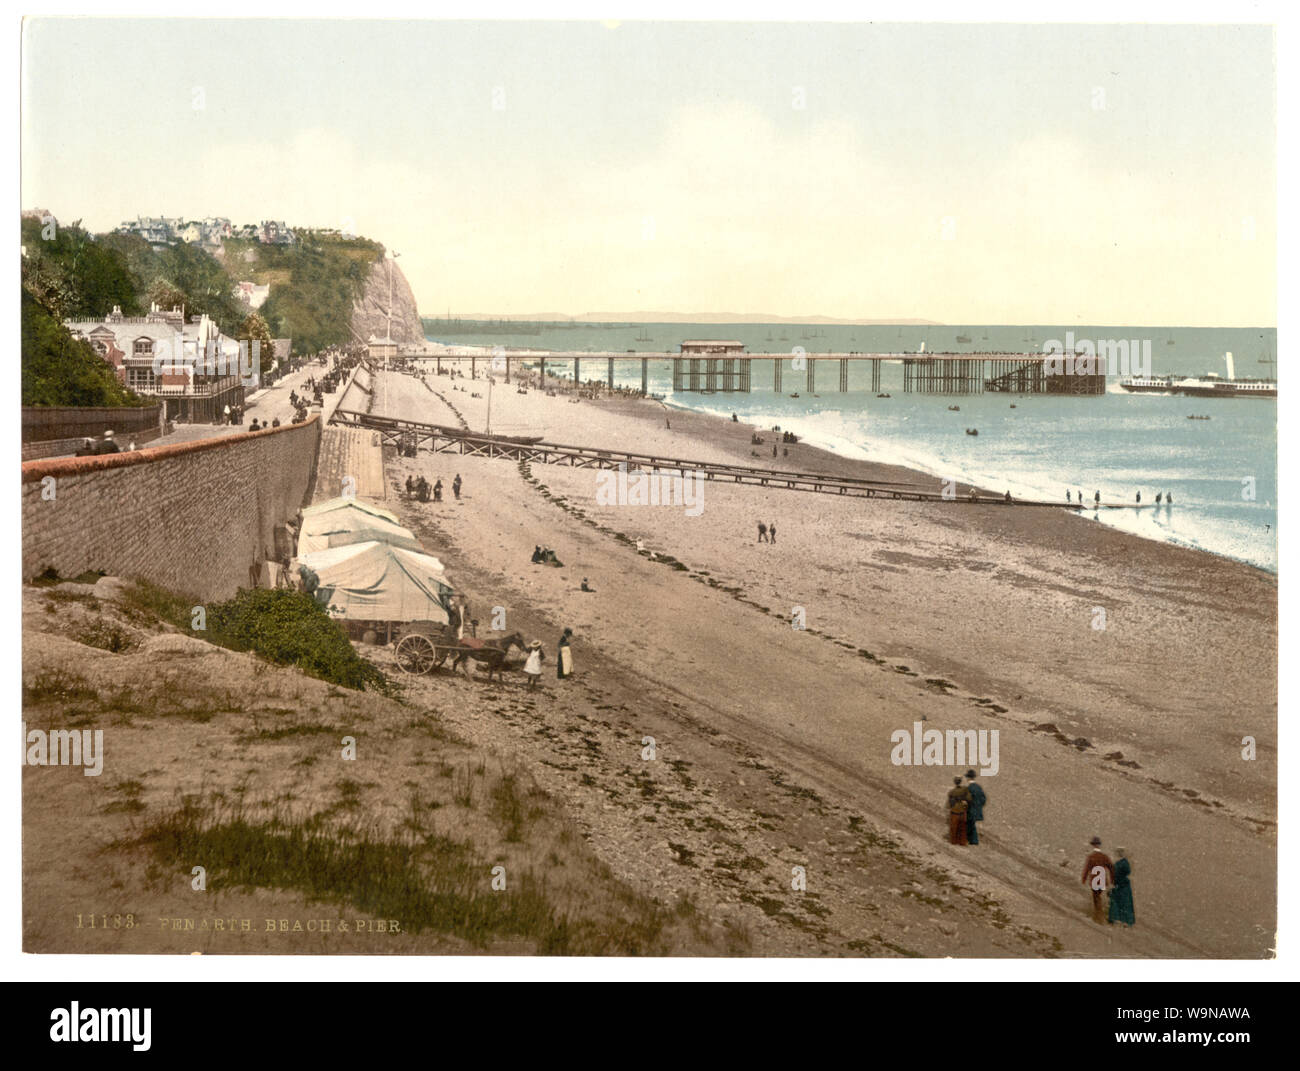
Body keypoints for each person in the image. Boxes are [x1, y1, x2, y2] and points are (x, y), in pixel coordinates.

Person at [1082, 837, 1115, 924]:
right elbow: (1111, 868)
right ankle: (1100, 915)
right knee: (1099, 897)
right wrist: (1112, 880)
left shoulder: (1091, 857)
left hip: (1095, 880)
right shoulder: (1104, 857)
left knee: (1096, 898)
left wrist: (1083, 879)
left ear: (1093, 845)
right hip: (1103, 880)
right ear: (1099, 845)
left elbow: (1086, 869)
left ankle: (1098, 916)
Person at [1108, 848, 1135, 927]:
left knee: (1120, 902)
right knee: (1124, 903)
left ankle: (1117, 919)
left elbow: (1121, 873)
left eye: (1120, 852)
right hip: (1121, 885)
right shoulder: (1122, 862)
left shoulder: (1122, 863)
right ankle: (1123, 920)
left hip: (1121, 885)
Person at [946, 777, 971, 845]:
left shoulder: (952, 792)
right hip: (962, 810)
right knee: (962, 827)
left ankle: (954, 841)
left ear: (955, 782)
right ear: (960, 781)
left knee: (954, 827)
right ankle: (962, 842)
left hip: (954, 810)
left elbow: (948, 804)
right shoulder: (964, 789)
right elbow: (969, 798)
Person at [964, 769, 986, 845]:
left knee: (969, 824)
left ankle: (972, 840)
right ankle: (973, 840)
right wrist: (979, 806)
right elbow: (983, 799)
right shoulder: (978, 787)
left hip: (971, 810)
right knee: (971, 825)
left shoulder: (969, 788)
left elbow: (967, 800)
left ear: (968, 778)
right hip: (978, 810)